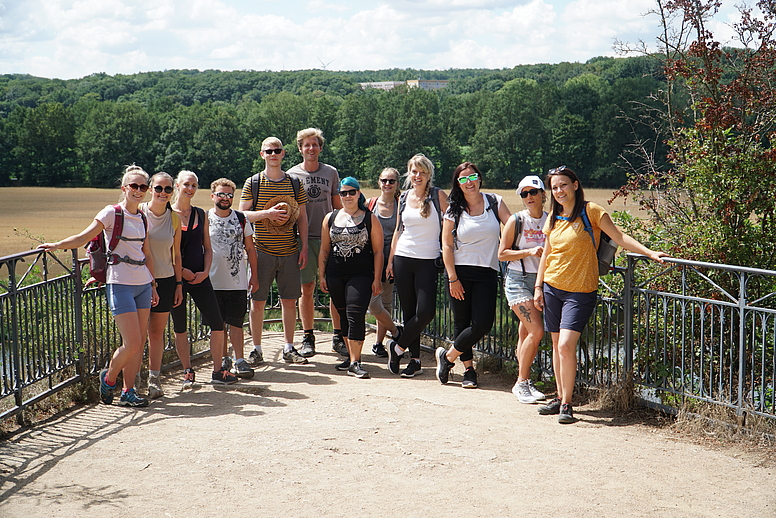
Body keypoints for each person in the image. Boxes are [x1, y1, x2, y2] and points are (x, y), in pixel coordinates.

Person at [534, 165, 668, 424]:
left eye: (563, 185)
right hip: (552, 287)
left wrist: (650, 252)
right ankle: (560, 395)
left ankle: (567, 404)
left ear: (575, 185)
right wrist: (538, 286)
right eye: (554, 187)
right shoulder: (554, 216)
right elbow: (547, 255)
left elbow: (619, 236)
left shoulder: (591, 212)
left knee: (565, 345)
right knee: (555, 344)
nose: (559, 191)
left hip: (580, 291)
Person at [39, 165, 158, 407]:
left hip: (143, 284)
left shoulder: (143, 217)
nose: (138, 190)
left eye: (142, 187)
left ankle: (128, 391)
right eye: (133, 186)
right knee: (132, 343)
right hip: (120, 284)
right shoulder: (111, 213)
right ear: (124, 188)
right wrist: (57, 244)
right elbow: (84, 237)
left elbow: (147, 253)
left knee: (139, 344)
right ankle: (109, 377)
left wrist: (153, 285)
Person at [435, 163, 512, 389]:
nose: (469, 182)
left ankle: (447, 357)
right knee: (462, 322)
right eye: (463, 179)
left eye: (473, 177)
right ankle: (469, 370)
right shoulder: (453, 210)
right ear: (457, 183)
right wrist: (452, 277)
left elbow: (513, 225)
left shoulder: (494, 202)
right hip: (460, 272)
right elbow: (446, 246)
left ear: (479, 178)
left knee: (482, 324)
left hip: (487, 270)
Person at [239, 137, 309, 365]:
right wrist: (267, 214)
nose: (273, 154)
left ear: (284, 153)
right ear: (262, 154)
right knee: (257, 302)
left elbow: (303, 217)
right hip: (261, 251)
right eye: (269, 151)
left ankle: (289, 347)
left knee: (289, 301)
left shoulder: (295, 182)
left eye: (277, 150)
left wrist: (304, 246)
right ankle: (257, 349)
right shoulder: (253, 182)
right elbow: (243, 216)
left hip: (290, 250)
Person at [170, 170, 238, 386]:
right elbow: (164, 251)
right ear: (177, 186)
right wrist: (182, 273)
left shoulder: (201, 214)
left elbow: (207, 248)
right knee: (180, 326)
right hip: (174, 278)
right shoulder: (167, 213)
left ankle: (218, 371)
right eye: (186, 184)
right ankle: (187, 371)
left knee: (218, 324)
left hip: (200, 276)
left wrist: (205, 272)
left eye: (194, 185)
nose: (190, 189)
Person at [385, 154, 449, 378]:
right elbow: (398, 230)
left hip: (428, 260)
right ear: (408, 173)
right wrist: (391, 260)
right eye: (414, 171)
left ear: (428, 174)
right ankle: (415, 361)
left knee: (426, 312)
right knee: (410, 312)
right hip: (403, 258)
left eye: (422, 171)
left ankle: (397, 347)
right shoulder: (403, 197)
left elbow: (452, 224)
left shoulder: (438, 195)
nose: (417, 175)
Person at [319, 177, 384, 379]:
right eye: (343, 193)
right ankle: (350, 356)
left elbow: (379, 251)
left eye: (351, 192)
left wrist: (377, 279)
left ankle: (356, 362)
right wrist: (321, 275)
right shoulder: (330, 218)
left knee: (356, 314)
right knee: (343, 314)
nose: (347, 196)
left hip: (361, 275)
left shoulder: (369, 218)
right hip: (335, 274)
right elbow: (324, 249)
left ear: (358, 194)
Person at [286, 128, 343, 358]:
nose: (311, 149)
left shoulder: (331, 173)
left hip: (329, 238)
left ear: (320, 147)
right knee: (306, 289)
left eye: (314, 145)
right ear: (300, 148)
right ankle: (308, 336)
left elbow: (338, 205)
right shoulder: (291, 175)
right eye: (306, 145)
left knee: (335, 289)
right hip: (303, 240)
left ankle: (338, 336)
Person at [496, 175, 548, 404]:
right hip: (518, 280)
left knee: (526, 333)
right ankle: (521, 382)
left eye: (533, 192)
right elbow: (502, 253)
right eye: (524, 194)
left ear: (543, 194)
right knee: (537, 331)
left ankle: (525, 382)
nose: (529, 197)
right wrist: (528, 252)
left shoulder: (551, 220)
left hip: (542, 281)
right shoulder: (516, 220)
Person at [208, 178, 260, 378]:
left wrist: (254, 275)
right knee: (217, 325)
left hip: (237, 281)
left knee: (236, 323)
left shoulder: (241, 218)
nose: (225, 198)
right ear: (213, 196)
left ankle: (240, 360)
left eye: (229, 195)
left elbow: (251, 249)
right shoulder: (205, 218)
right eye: (221, 194)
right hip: (212, 282)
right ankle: (222, 361)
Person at [139, 172, 183, 399]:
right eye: (158, 188)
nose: (163, 193)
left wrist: (178, 285)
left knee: (156, 333)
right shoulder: (138, 213)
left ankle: (153, 380)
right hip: (138, 280)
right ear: (150, 189)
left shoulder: (174, 218)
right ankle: (132, 381)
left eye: (168, 189)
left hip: (165, 280)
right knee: (136, 335)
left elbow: (177, 255)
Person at [366, 167, 403, 358]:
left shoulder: (401, 205)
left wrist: (392, 262)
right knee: (373, 303)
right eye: (384, 180)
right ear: (378, 182)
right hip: (371, 259)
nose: (387, 184)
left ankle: (378, 343)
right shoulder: (370, 204)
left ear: (397, 184)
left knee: (386, 302)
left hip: (393, 258)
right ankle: (397, 333)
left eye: (391, 181)